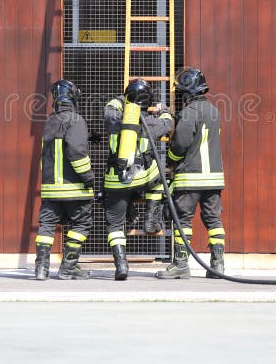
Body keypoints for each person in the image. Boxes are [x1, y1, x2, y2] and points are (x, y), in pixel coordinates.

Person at [157, 68, 226, 280]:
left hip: (190, 178)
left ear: (187, 91)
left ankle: (180, 265)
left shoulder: (189, 113)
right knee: (214, 221)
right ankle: (217, 265)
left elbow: (180, 145)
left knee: (182, 220)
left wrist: (170, 161)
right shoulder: (214, 111)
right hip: (213, 179)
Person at [104, 78, 174, 280]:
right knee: (161, 175)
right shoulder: (151, 123)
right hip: (142, 178)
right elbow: (168, 124)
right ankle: (151, 216)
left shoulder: (114, 119)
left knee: (115, 226)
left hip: (115, 181)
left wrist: (124, 98)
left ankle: (121, 265)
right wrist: (163, 110)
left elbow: (110, 107)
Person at [33, 79, 95, 281]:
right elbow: (76, 152)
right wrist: (89, 178)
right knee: (81, 224)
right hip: (74, 188)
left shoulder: (50, 121)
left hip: (51, 189)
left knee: (47, 225)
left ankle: (41, 269)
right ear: (74, 97)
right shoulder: (75, 120)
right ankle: (68, 267)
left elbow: (51, 154)